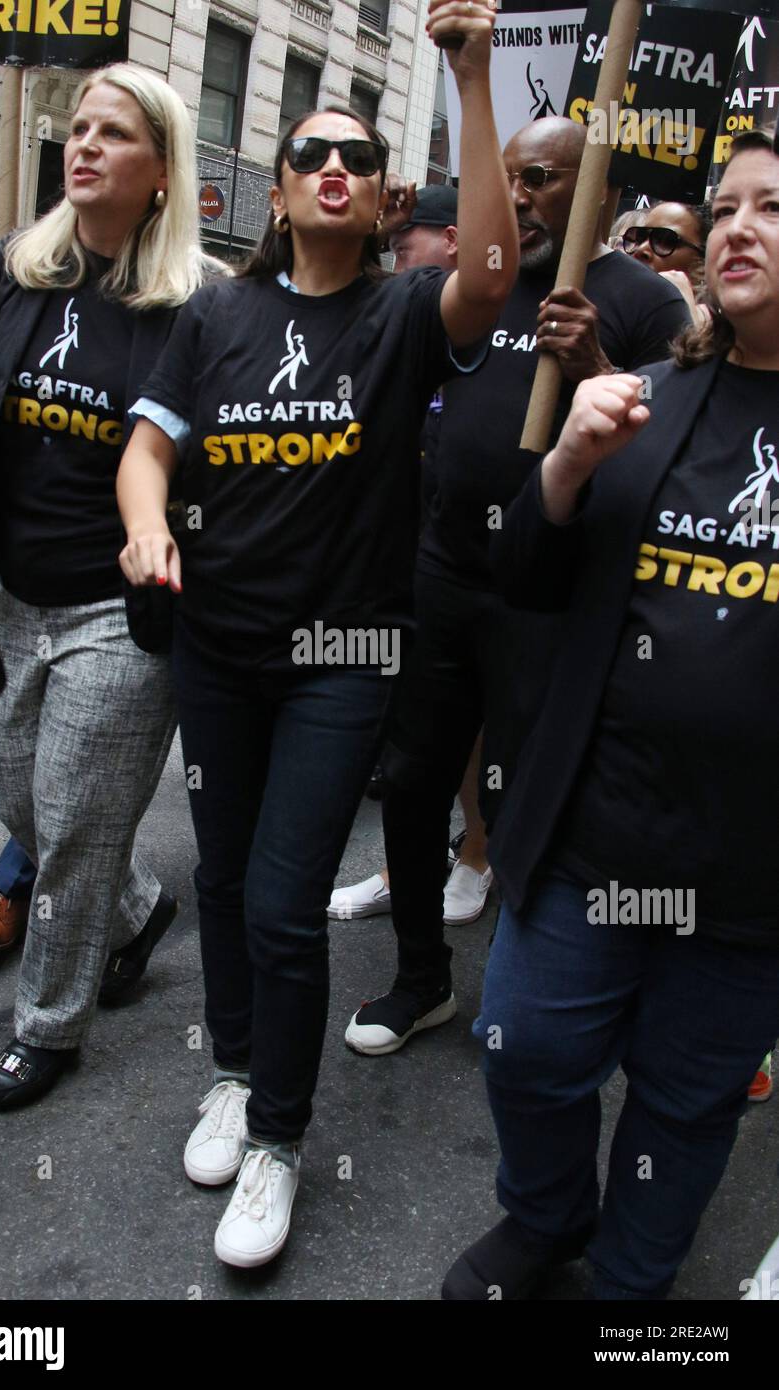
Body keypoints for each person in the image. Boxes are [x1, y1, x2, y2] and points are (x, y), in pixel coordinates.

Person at [117, 0, 518, 1268]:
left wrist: (470, 79)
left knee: (286, 902)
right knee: (227, 886)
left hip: (343, 661)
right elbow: (145, 451)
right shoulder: (215, 319)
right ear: (280, 196)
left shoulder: (403, 316)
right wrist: (144, 527)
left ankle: (281, 1137)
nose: (332, 167)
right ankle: (233, 1071)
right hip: (218, 652)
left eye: (354, 157)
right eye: (309, 156)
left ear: (379, 198)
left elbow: (497, 274)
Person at [444, 127, 779, 1301]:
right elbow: (528, 581)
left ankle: (630, 1277)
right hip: (592, 835)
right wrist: (562, 472)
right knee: (526, 1047)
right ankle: (544, 1215)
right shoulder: (648, 401)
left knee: (686, 1101)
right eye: (723, 206)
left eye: (769, 208)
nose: (736, 227)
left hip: (744, 881)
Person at [343, 116, 692, 1057]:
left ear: (601, 198)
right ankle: (422, 979)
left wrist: (598, 368)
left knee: (527, 801)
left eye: (543, 178)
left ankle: (523, 987)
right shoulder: (476, 285)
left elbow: (682, 463)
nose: (524, 196)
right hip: (442, 579)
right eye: (510, 178)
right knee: (414, 782)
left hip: (553, 600)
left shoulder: (641, 302)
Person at [0, 63, 224, 1108]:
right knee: (28, 807)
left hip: (118, 612)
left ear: (161, 169)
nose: (83, 145)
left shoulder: (200, 307)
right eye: (78, 128)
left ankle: (48, 1026)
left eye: (114, 134)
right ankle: (132, 912)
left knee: (77, 823)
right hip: (4, 599)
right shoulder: (17, 266)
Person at [329, 184, 494, 929]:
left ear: (454, 241)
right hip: (400, 565)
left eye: (408, 241)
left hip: (482, 571)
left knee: (471, 734)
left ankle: (481, 857)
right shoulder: (394, 317)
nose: (395, 253)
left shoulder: (480, 318)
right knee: (407, 744)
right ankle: (406, 868)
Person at [622, 199, 712, 326]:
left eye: (665, 240)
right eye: (640, 238)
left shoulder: (723, 334)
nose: (641, 249)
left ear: (703, 263)